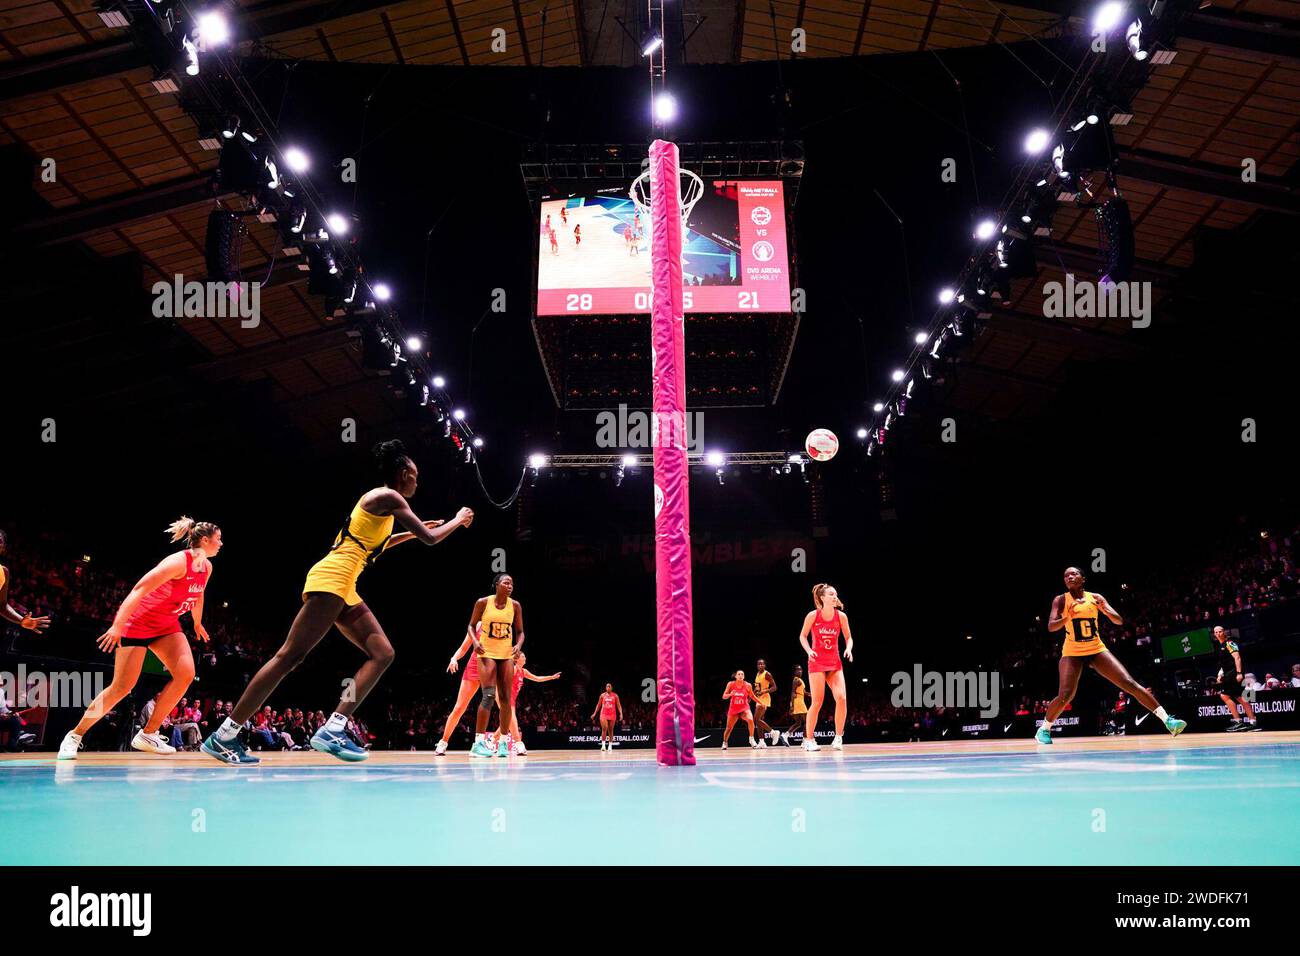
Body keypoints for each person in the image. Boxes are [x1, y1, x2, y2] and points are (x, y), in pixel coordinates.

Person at [202, 440, 473, 765]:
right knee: (288, 657)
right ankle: (225, 734)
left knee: (383, 653)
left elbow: (375, 546)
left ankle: (334, 726)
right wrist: (457, 520)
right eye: (415, 475)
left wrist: (410, 535)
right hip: (334, 577)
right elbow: (432, 539)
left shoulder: (382, 503)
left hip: (345, 582)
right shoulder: (389, 496)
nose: (417, 480)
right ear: (403, 474)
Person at [58, 517, 220, 759]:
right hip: (138, 624)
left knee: (186, 674)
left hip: (166, 625)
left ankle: (148, 733)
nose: (221, 543)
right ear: (205, 540)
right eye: (218, 539)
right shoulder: (177, 562)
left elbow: (198, 595)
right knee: (122, 687)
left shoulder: (206, 567)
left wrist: (197, 622)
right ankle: (75, 735)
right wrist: (117, 626)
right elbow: (139, 589)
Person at [1037, 567, 1186, 745]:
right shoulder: (1060, 600)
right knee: (1065, 695)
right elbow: (1051, 626)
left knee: (1129, 683)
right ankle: (1044, 729)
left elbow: (1119, 620)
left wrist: (1105, 610)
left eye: (1073, 574)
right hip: (1072, 652)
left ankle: (1168, 720)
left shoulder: (1096, 598)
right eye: (1066, 575)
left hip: (1096, 649)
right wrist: (1066, 618)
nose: (1069, 577)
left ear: (1083, 578)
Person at [465, 573, 524, 758]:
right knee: (488, 696)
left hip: (506, 655)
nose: (510, 586)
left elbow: (521, 632)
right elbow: (471, 625)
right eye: (506, 582)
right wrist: (475, 641)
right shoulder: (483, 602)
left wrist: (518, 645)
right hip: (486, 653)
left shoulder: (515, 605)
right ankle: (478, 743)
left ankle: (504, 744)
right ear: (497, 584)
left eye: (512, 583)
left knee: (506, 699)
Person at [797, 583, 854, 751]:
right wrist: (809, 651)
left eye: (835, 594)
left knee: (841, 698)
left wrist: (848, 648)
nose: (834, 596)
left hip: (834, 662)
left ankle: (838, 737)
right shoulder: (813, 615)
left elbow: (849, 637)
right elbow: (802, 636)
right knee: (817, 702)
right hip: (817, 662)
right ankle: (808, 739)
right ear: (822, 598)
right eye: (831, 594)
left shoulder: (841, 616)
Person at [486, 651, 560, 756]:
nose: (525, 658)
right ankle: (518, 743)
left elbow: (537, 679)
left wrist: (551, 677)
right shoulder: (513, 669)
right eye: (523, 656)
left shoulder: (523, 671)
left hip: (512, 699)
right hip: (505, 698)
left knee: (507, 723)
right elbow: (500, 681)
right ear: (517, 659)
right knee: (512, 718)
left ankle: (491, 741)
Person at [0, 529, 51, 635]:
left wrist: (21, 620)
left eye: (0, 541)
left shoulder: (3, 572)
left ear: (3, 548)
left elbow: (2, 606)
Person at [1214, 626, 1260, 731]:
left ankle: (1243, 721)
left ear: (1224, 632)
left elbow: (1237, 657)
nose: (1218, 634)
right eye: (1216, 632)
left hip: (1233, 673)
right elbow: (1224, 663)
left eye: (1220, 631)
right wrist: (1220, 674)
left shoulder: (1230, 643)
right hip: (1227, 673)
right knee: (1236, 697)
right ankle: (1248, 721)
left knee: (1229, 696)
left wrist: (1239, 673)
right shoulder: (1220, 646)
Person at [721, 670, 761, 750]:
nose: (740, 675)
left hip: (744, 708)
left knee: (750, 719)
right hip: (733, 710)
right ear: (735, 676)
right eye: (739, 674)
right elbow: (724, 696)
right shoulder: (731, 684)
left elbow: (752, 696)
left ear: (744, 676)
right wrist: (730, 694)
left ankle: (751, 739)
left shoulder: (748, 685)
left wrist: (761, 702)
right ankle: (725, 742)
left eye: (742, 674)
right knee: (729, 728)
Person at [781, 663, 808, 746]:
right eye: (798, 670)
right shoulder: (796, 680)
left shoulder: (800, 680)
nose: (800, 671)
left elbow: (804, 692)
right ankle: (805, 741)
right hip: (798, 701)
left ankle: (785, 735)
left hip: (799, 700)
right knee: (807, 721)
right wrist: (791, 706)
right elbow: (793, 692)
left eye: (801, 669)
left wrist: (812, 694)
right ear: (795, 672)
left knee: (798, 723)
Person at [753, 659, 777, 746]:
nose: (760, 666)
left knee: (756, 719)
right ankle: (762, 742)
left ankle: (773, 732)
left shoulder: (767, 674)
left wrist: (764, 692)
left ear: (765, 665)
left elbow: (774, 687)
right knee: (759, 721)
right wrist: (750, 697)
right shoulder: (757, 674)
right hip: (758, 698)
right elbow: (756, 688)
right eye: (758, 664)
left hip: (765, 698)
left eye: (762, 664)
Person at [591, 683, 621, 751]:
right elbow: (598, 705)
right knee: (604, 728)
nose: (608, 687)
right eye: (607, 686)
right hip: (603, 714)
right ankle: (603, 745)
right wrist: (594, 713)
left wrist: (621, 713)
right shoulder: (602, 695)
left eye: (609, 686)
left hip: (612, 714)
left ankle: (610, 746)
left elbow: (619, 705)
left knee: (610, 730)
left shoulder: (615, 696)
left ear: (611, 688)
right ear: (605, 688)